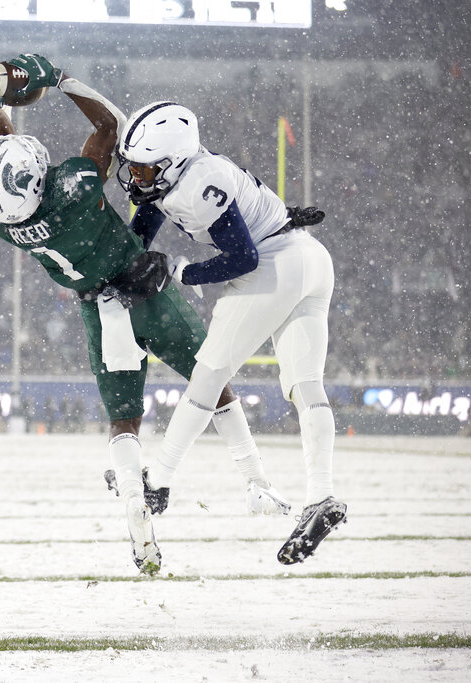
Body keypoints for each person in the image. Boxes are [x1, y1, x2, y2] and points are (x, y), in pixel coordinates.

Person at [0, 54, 288, 575]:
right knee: (213, 381)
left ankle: (140, 531)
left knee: (123, 422)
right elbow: (108, 126)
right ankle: (257, 483)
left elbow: (5, 165)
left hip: (99, 310)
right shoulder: (75, 188)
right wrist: (59, 79)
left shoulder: (0, 221)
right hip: (144, 290)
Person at [113, 100, 347, 565]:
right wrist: (127, 257)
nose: (136, 176)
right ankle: (322, 496)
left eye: (144, 168)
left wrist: (179, 271)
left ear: (172, 159)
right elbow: (146, 225)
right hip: (311, 259)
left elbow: (245, 259)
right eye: (133, 167)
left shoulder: (197, 184)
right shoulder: (183, 174)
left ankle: (157, 482)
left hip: (274, 265)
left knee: (207, 378)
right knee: (306, 388)